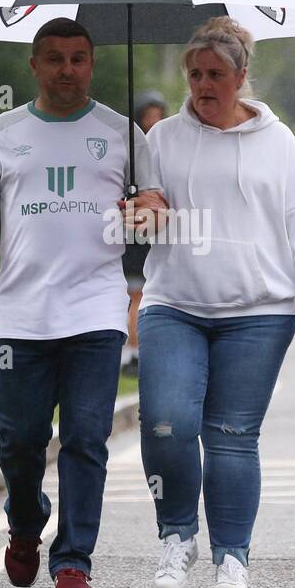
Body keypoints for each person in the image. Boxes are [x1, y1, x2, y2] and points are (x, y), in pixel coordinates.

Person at [0, 17, 160, 588]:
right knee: (18, 440)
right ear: (34, 66)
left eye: (77, 58)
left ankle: (73, 560)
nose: (67, 69)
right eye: (54, 59)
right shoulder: (1, 132)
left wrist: (143, 207)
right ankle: (26, 519)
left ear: (92, 64)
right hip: (21, 315)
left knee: (87, 436)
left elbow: (157, 209)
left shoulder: (122, 134)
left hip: (96, 312)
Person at [136, 16, 295, 588]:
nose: (203, 85)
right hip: (174, 303)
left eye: (216, 74)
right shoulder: (161, 141)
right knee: (166, 422)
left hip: (258, 312)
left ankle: (232, 556)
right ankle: (177, 536)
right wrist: (136, 210)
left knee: (230, 435)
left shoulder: (278, 143)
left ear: (241, 76)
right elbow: (132, 223)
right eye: (195, 74)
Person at [120, 89, 167, 375]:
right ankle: (132, 352)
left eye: (157, 116)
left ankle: (134, 352)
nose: (153, 121)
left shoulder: (164, 147)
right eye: (148, 116)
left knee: (139, 295)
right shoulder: (128, 148)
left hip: (152, 233)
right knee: (134, 295)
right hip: (131, 233)